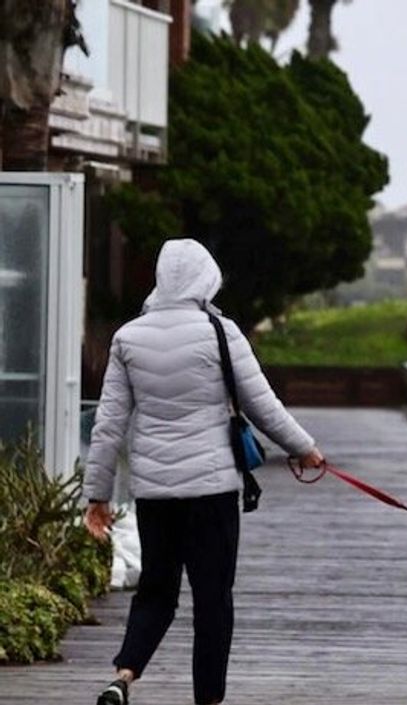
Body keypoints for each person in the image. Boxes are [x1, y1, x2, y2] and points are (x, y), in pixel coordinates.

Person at [83, 239, 324, 705]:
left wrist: (97, 495)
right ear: (205, 278)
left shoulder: (128, 337)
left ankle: (123, 676)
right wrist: (303, 448)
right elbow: (262, 403)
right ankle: (208, 699)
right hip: (212, 491)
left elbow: (108, 424)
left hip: (155, 491)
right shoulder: (221, 332)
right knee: (213, 600)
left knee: (155, 593)